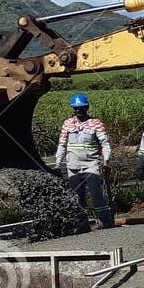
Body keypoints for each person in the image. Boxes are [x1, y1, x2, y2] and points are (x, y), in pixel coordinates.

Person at [54, 94, 113, 228]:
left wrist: (106, 161)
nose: (78, 111)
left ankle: (106, 222)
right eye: (76, 109)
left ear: (87, 107)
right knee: (77, 197)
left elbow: (105, 143)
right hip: (73, 166)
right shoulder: (68, 124)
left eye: (81, 108)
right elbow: (62, 144)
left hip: (91, 165)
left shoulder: (95, 123)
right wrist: (58, 163)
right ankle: (82, 225)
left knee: (95, 193)